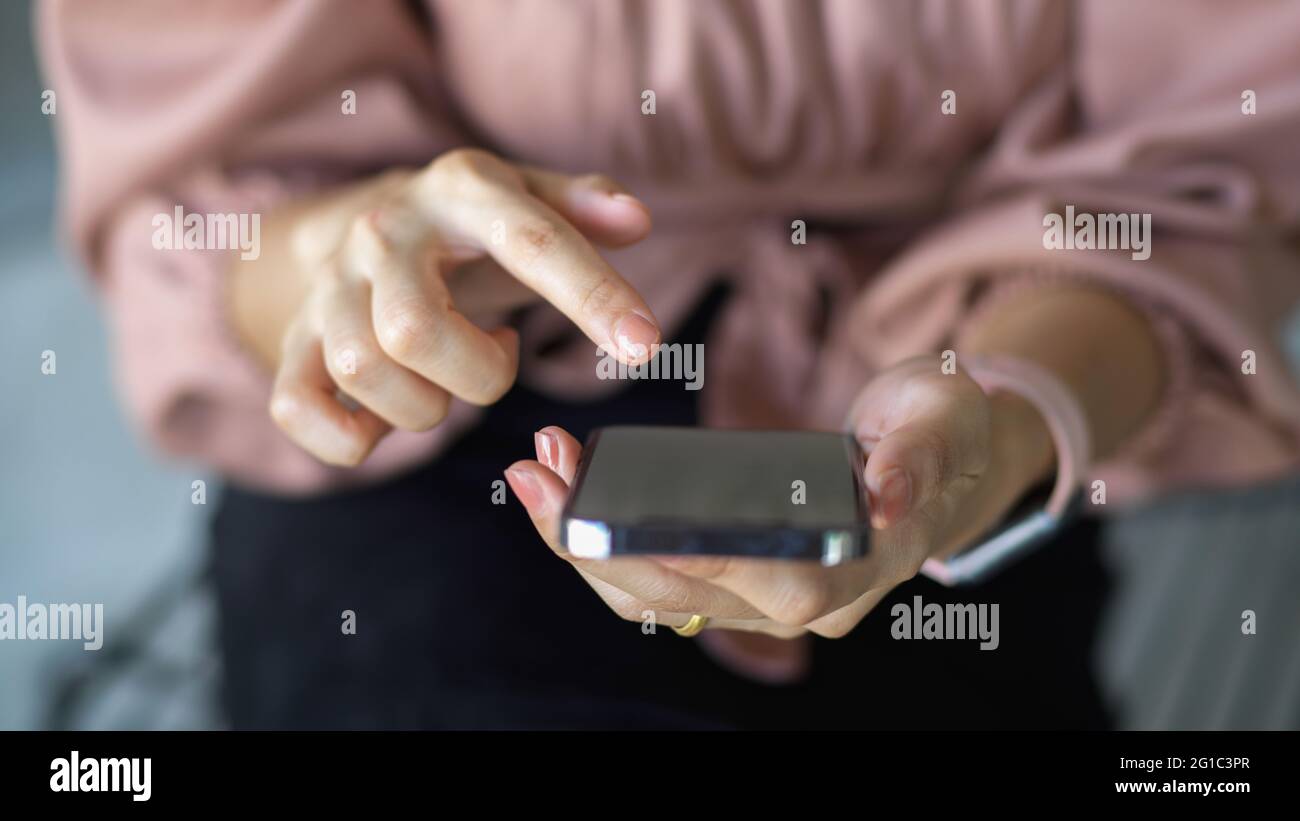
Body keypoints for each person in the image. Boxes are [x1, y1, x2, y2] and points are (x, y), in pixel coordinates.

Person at [39, 0, 1300, 728]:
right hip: (446, 406)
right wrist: (352, 266)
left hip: (972, 391)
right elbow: (206, 181)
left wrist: (992, 428)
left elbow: (1196, 188)